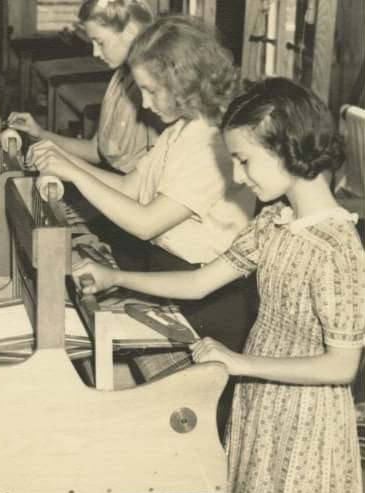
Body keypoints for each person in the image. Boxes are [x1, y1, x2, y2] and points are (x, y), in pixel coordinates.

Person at [75, 77, 365, 493]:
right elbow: (198, 281)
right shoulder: (275, 223)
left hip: (305, 415)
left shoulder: (338, 248)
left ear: (287, 147)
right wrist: (116, 278)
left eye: (244, 160)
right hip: (260, 398)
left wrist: (240, 362)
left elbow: (342, 366)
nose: (236, 175)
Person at [31, 15, 256, 353]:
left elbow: (146, 223)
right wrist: (63, 161)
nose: (145, 104)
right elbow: (128, 189)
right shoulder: (180, 130)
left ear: (184, 81)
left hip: (209, 298)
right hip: (169, 275)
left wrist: (74, 172)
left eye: (151, 91)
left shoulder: (216, 144)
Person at [9, 0, 162, 176]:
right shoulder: (119, 79)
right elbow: (96, 151)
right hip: (112, 184)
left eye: (100, 42)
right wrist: (40, 133)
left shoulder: (153, 94)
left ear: (130, 33)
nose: (95, 53)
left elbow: (139, 187)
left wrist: (68, 167)